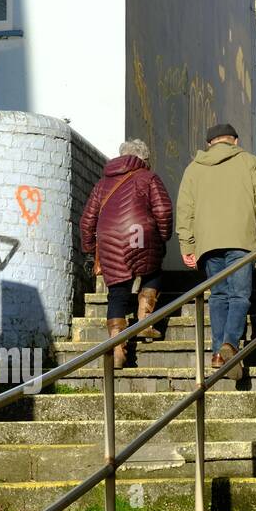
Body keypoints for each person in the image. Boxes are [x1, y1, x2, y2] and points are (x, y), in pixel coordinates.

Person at [176, 123, 256, 379]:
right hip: (242, 239)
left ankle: (217, 354)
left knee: (218, 295)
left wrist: (187, 244)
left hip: (208, 244)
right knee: (240, 295)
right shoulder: (250, 162)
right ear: (235, 140)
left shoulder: (193, 169)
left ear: (209, 143)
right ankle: (230, 344)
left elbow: (185, 209)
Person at [80, 139, 174, 368]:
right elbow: (162, 210)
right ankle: (145, 320)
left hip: (110, 238)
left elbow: (87, 221)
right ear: (144, 159)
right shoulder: (148, 177)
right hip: (139, 233)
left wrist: (92, 249)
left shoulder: (102, 183)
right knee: (153, 272)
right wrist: (162, 237)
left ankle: (117, 348)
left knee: (118, 292)